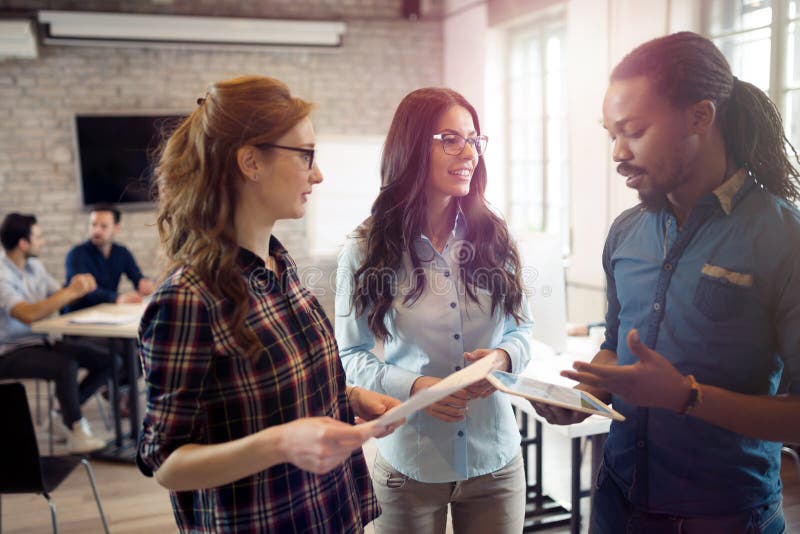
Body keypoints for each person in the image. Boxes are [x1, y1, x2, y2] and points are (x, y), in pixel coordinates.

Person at [533, 32, 800, 533]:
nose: (616, 151)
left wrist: (687, 396)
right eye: (609, 133)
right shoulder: (626, 233)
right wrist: (586, 393)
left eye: (632, 130)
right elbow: (614, 347)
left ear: (700, 117)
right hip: (615, 502)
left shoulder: (784, 238)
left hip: (723, 518)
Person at [136, 75, 402, 533]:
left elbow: (287, 397)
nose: (317, 174)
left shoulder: (280, 267)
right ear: (250, 161)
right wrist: (279, 444)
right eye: (306, 156)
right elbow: (165, 462)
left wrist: (351, 399)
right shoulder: (187, 300)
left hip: (332, 513)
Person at [335, 87, 533, 533]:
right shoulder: (366, 248)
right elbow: (350, 357)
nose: (469, 153)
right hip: (410, 465)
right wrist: (419, 388)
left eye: (474, 140)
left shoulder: (495, 238)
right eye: (450, 138)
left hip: (495, 463)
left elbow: (522, 331)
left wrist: (501, 359)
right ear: (411, 147)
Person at [0, 213, 112, 453]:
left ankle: (62, 416)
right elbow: (28, 314)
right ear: (23, 243)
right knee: (66, 365)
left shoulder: (35, 266)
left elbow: (58, 293)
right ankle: (76, 431)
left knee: (109, 360)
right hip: (11, 351)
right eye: (39, 237)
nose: (43, 241)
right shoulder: (2, 276)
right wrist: (70, 292)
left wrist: (77, 287)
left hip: (44, 342)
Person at [64, 203, 155, 312]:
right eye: (93, 225)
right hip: (78, 315)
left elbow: (136, 276)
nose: (97, 231)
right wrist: (117, 298)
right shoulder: (76, 254)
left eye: (103, 226)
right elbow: (84, 291)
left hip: (107, 313)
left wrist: (143, 283)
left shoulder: (122, 252)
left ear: (116, 228)